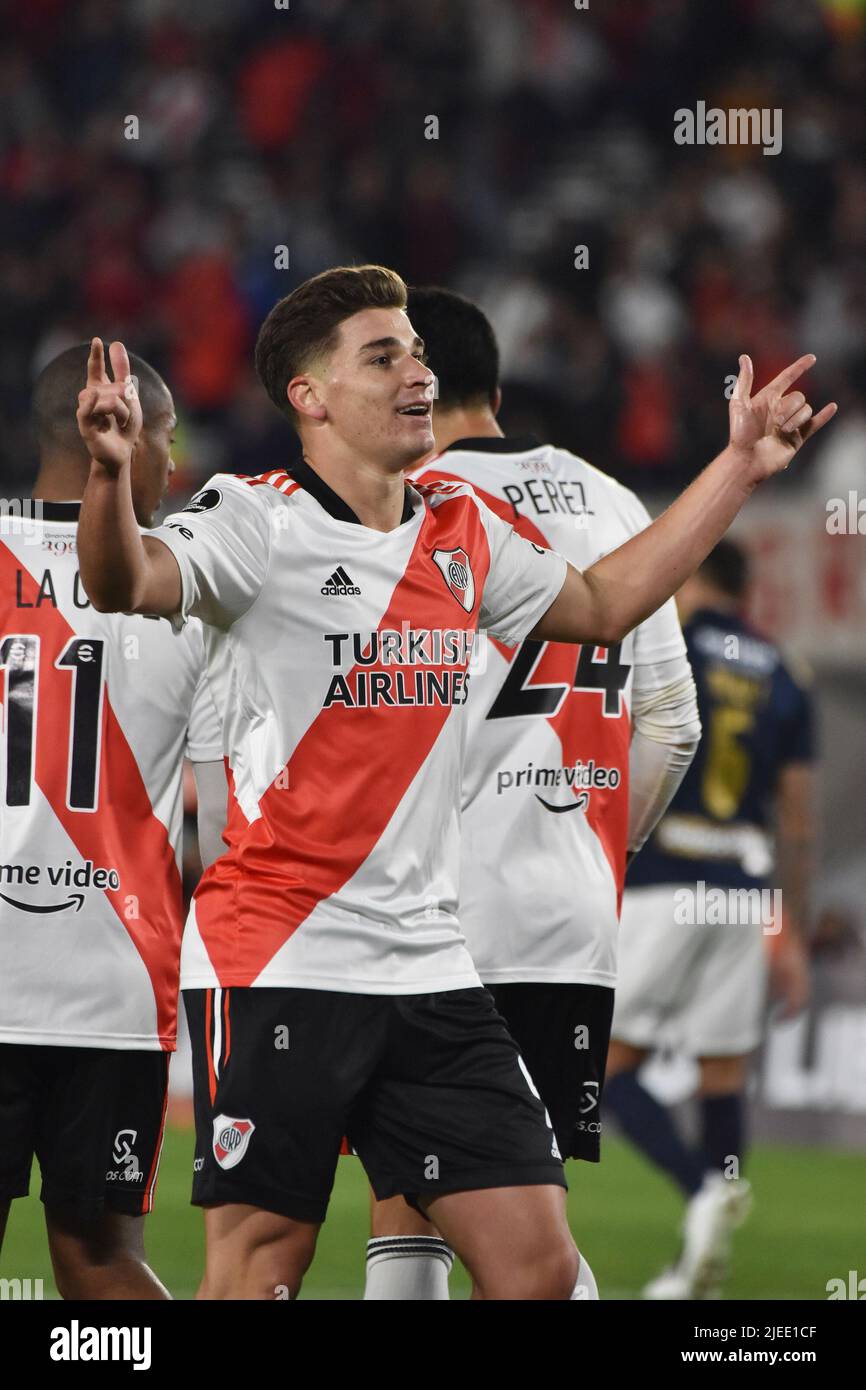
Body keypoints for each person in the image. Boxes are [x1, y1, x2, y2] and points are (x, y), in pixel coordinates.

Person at [75, 264, 834, 1301]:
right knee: (261, 1273)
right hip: (281, 958)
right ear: (309, 396)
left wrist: (738, 467)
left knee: (534, 1267)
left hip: (431, 964)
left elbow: (605, 600)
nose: (416, 373)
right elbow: (128, 581)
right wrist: (113, 479)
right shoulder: (252, 522)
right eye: (381, 356)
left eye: (419, 353)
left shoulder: (458, 529)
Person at [363, 284, 702, 1300]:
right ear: (496, 388)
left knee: (416, 1196)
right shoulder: (612, 502)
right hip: (566, 917)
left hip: (427, 910)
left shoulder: (407, 507)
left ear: (411, 382)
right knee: (519, 1208)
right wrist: (603, 848)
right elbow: (670, 722)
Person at [0, 344, 225, 1299]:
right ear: (123, 441)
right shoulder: (193, 597)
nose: (176, 465)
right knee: (100, 1259)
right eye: (169, 441)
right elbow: (219, 831)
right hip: (120, 989)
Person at [605, 539, 815, 1300]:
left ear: (694, 580)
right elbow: (796, 820)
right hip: (745, 888)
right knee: (722, 1073)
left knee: (603, 1067)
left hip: (666, 877)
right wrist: (787, 926)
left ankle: (701, 1189)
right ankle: (709, 1255)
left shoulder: (667, 644)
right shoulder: (786, 670)